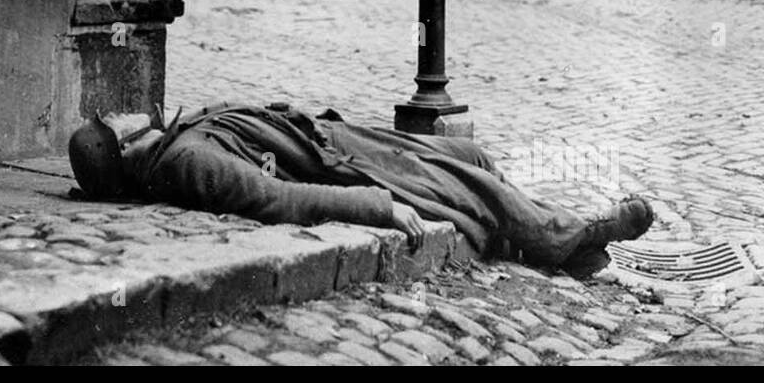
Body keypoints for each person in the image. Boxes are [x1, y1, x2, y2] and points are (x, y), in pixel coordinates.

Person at [69, 101, 653, 274]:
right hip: (349, 168)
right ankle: (569, 234)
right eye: (111, 124)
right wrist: (378, 207)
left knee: (471, 155)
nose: (120, 114)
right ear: (121, 149)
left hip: (340, 136)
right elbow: (275, 200)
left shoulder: (177, 134)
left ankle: (569, 249)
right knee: (470, 189)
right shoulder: (188, 162)